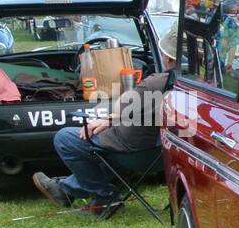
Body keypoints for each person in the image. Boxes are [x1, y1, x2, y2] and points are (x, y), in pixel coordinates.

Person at [33, 36, 175, 216]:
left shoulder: (156, 82)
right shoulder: (197, 84)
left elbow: (122, 105)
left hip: (133, 152)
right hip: (162, 153)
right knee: (97, 144)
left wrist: (108, 119)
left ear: (168, 58)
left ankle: (106, 197)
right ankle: (64, 189)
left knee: (66, 138)